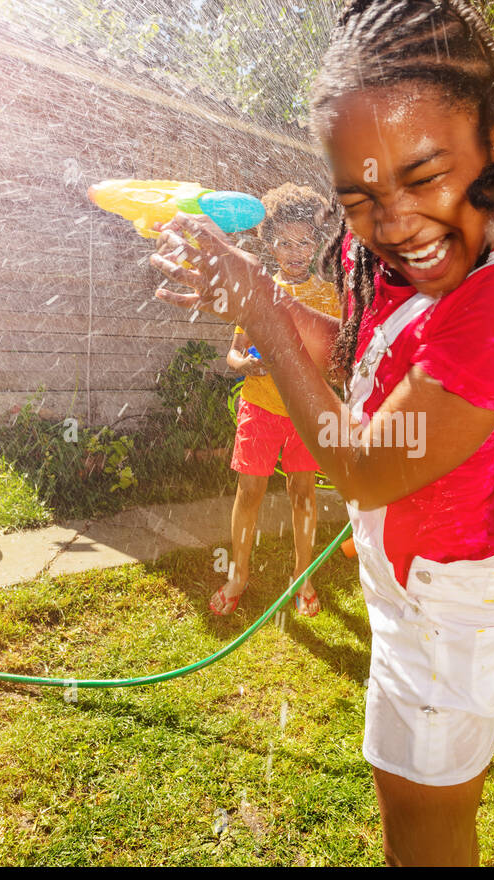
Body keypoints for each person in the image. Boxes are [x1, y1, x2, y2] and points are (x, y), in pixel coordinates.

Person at [150, 0, 494, 866]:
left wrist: (260, 316)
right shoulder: (403, 246)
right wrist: (265, 300)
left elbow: (365, 466)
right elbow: (363, 361)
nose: (391, 224)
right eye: (359, 193)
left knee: (428, 838)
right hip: (409, 586)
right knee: (411, 823)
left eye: (423, 176)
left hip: (453, 608)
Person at [216, 183, 341, 618]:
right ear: (270, 244)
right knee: (249, 491)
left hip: (305, 410)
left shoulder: (328, 297)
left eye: (304, 241)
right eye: (284, 242)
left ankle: (302, 576)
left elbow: (334, 354)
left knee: (303, 493)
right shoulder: (258, 288)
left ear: (316, 244)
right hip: (261, 406)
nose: (294, 251)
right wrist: (244, 365)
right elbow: (233, 352)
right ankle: (238, 575)